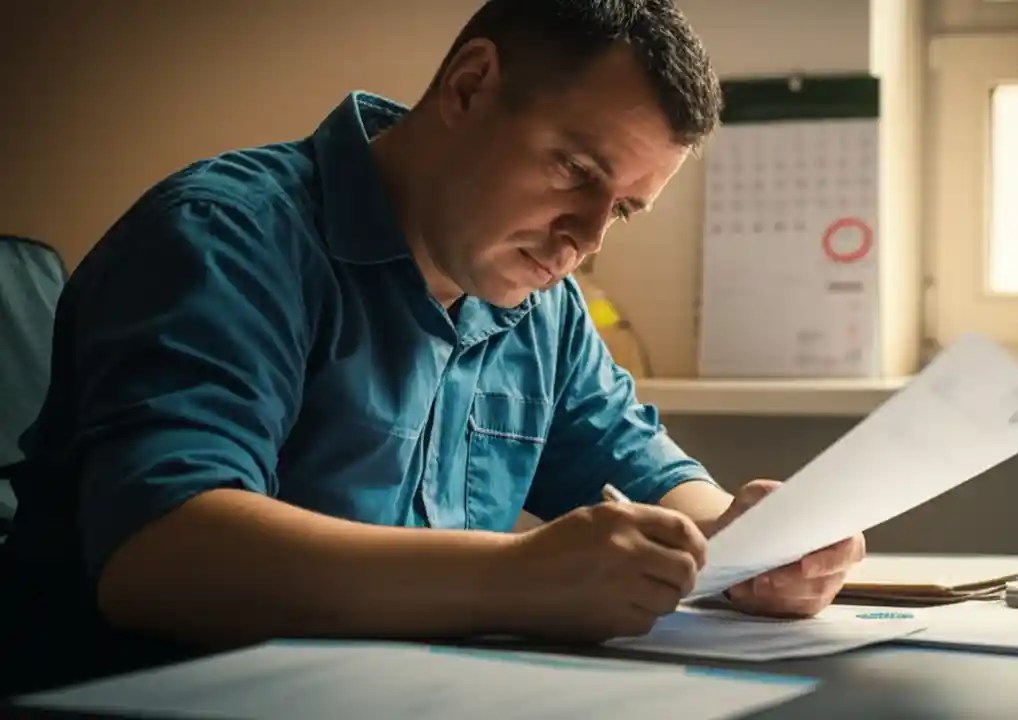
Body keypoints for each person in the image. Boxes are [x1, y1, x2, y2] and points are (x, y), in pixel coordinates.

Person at [0, 0, 866, 694]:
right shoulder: (228, 238)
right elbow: (159, 556)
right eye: (575, 171)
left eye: (626, 208)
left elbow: (667, 489)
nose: (587, 239)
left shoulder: (543, 307)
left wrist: (756, 546)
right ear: (469, 85)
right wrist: (514, 578)